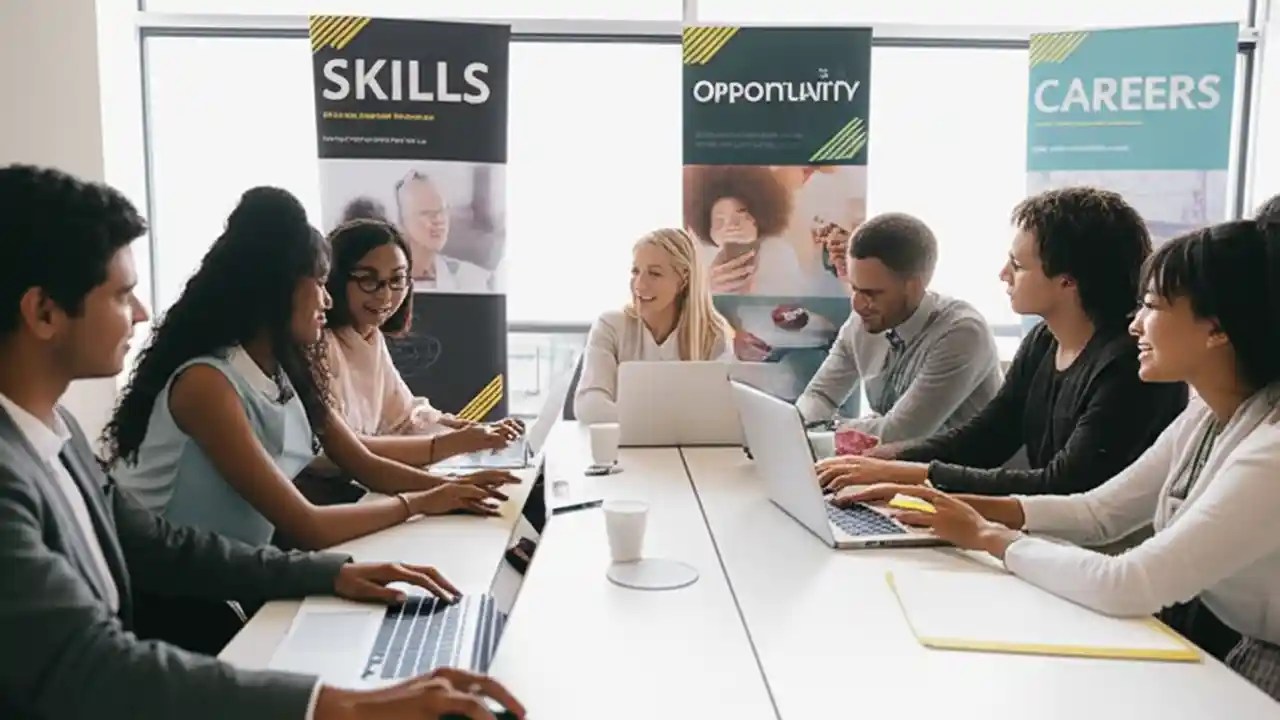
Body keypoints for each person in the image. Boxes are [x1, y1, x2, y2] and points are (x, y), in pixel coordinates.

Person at [0, 164, 525, 720]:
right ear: (44, 312)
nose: (141, 313)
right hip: (167, 634)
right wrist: (342, 706)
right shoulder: (21, 468)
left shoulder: (56, 433)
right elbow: (91, 668)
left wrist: (330, 573)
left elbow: (165, 546)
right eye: (122, 294)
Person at [837, 219, 1280, 700]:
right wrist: (939, 502)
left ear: (1216, 328)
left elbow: (1129, 582)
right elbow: (1098, 512)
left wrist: (987, 535)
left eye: (1152, 306)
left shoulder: (1268, 450)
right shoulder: (1206, 415)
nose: (1135, 324)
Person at [103, 187, 518, 554]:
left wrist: (455, 489)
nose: (327, 300)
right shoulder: (207, 384)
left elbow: (363, 463)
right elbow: (308, 526)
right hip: (165, 590)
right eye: (319, 283)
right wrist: (422, 502)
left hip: (229, 569)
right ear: (278, 288)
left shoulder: (286, 370)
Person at [817, 187, 1188, 495]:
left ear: (1068, 281)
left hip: (1097, 550)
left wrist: (911, 475)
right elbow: (988, 436)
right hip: (1047, 538)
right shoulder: (1044, 340)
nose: (1003, 274)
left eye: (1018, 266)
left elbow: (1064, 484)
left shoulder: (1129, 365)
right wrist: (889, 459)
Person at [316, 217, 525, 471]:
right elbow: (344, 450)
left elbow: (406, 417)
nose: (385, 295)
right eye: (368, 280)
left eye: (397, 280)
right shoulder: (321, 345)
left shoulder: (370, 337)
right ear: (335, 280)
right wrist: (454, 443)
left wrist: (472, 431)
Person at [795, 213, 1002, 442]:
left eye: (872, 294)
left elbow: (899, 434)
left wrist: (824, 428)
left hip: (959, 464)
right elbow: (820, 395)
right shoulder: (862, 322)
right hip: (893, 461)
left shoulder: (963, 333)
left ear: (914, 287)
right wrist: (798, 425)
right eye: (855, 289)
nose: (858, 305)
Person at [574, 227, 734, 423]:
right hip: (625, 441)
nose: (640, 285)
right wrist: (649, 427)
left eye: (654, 274)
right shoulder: (611, 326)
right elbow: (588, 405)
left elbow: (719, 412)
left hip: (687, 443)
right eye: (635, 271)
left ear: (683, 280)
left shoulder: (713, 336)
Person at [682, 164, 799, 296]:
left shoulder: (780, 254)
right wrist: (704, 289)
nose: (730, 228)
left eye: (740, 217)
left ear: (757, 219)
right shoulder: (693, 261)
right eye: (719, 222)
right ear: (707, 228)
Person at [394, 170, 493, 291]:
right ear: (401, 221)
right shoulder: (382, 281)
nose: (439, 220)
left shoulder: (473, 280)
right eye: (426, 213)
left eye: (442, 211)